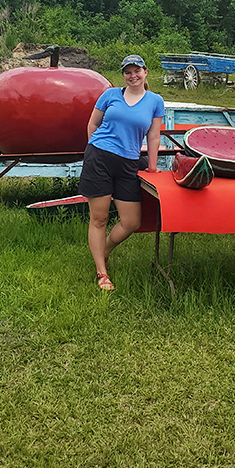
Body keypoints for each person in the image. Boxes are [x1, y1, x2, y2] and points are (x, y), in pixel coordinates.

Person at [78, 54, 164, 291]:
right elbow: (92, 124)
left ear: (145, 72)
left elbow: (153, 135)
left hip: (128, 162)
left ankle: (103, 251)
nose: (132, 75)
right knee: (99, 218)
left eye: (137, 71)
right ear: (123, 75)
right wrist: (91, 150)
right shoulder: (110, 95)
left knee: (131, 221)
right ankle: (102, 273)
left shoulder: (155, 101)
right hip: (99, 158)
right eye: (128, 72)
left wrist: (153, 166)